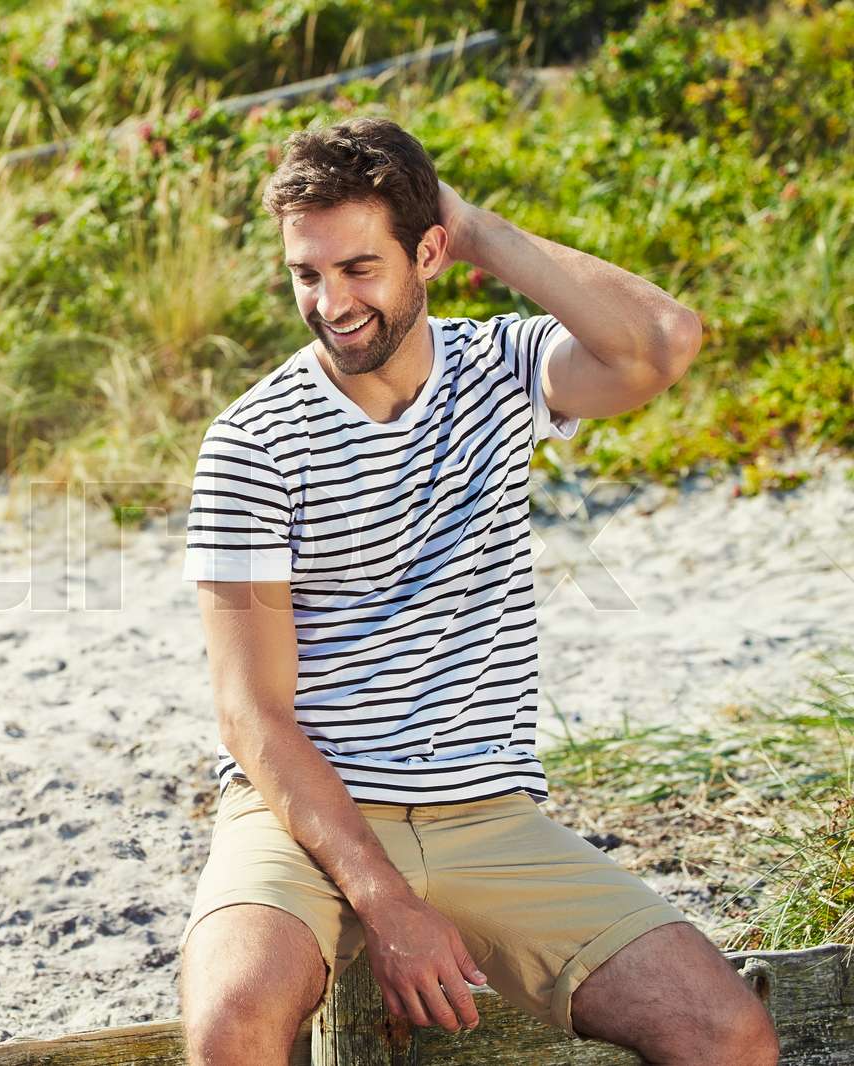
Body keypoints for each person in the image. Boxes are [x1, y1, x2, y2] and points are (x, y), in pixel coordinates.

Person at [175, 116, 778, 1066]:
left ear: (429, 253)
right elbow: (251, 717)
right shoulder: (252, 443)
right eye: (306, 274)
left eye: (360, 269)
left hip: (488, 815)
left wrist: (481, 228)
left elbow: (661, 340)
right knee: (230, 1020)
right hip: (305, 817)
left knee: (726, 1032)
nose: (331, 302)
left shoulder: (500, 371)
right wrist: (385, 901)